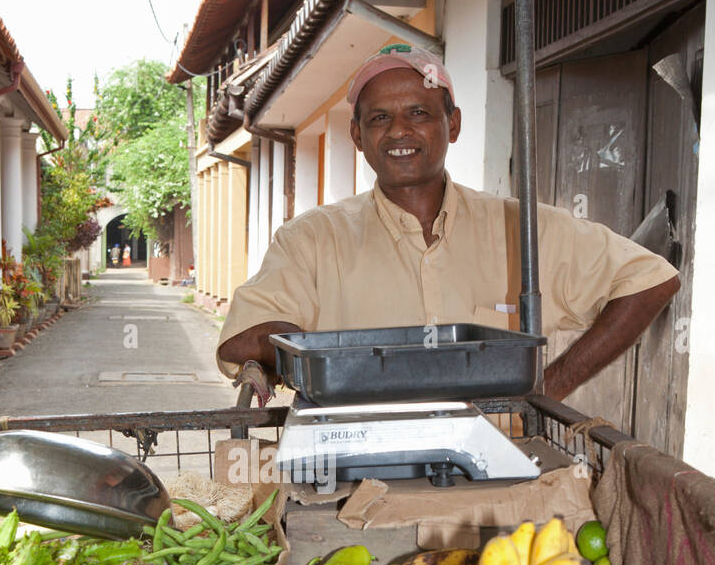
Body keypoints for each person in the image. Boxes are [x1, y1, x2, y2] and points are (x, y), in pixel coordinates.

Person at [216, 44, 679, 403]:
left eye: (419, 112)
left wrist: (547, 388)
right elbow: (241, 339)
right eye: (379, 118)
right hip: (356, 480)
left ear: (452, 125)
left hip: (494, 479)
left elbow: (650, 279)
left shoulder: (521, 229)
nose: (399, 130)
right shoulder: (312, 239)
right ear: (358, 136)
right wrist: (317, 354)